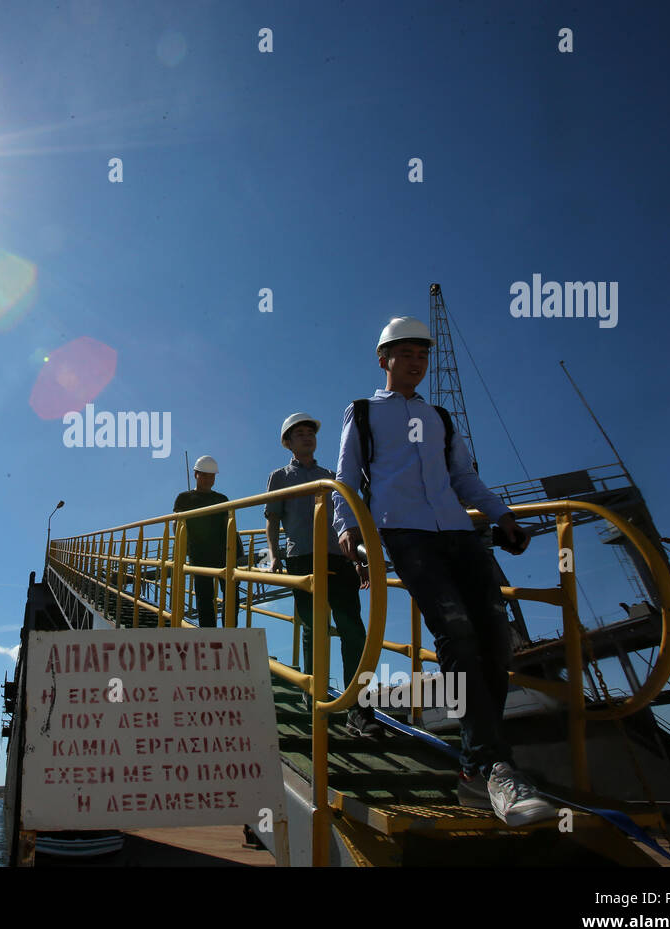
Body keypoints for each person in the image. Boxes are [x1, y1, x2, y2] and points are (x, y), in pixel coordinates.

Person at [333, 316, 555, 826]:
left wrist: (503, 517)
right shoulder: (364, 412)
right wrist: (348, 526)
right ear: (384, 358)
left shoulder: (440, 418)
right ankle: (494, 766)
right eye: (406, 352)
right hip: (404, 531)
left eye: (422, 355)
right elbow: (346, 475)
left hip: (458, 532)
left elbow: (465, 477)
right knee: (454, 629)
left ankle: (478, 771)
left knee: (497, 635)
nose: (417, 362)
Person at [265, 414, 382, 737]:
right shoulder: (280, 477)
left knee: (353, 630)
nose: (307, 438)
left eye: (309, 433)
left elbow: (347, 522)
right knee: (313, 626)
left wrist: (359, 559)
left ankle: (359, 708)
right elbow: (272, 519)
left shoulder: (331, 477)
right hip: (301, 558)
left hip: (338, 558)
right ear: (287, 442)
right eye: (299, 434)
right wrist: (274, 556)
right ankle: (313, 689)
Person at [173, 456, 243, 627]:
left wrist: (239, 554)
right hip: (199, 554)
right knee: (204, 598)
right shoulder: (184, 498)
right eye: (204, 475)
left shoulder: (222, 499)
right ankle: (208, 633)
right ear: (196, 474)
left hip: (224, 554)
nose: (208, 479)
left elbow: (231, 527)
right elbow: (177, 526)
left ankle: (230, 632)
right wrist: (185, 550)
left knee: (231, 594)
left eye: (211, 476)